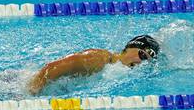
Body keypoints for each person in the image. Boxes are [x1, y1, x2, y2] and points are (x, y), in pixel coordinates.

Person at [25, 34, 160, 95]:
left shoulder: (116, 71)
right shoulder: (99, 58)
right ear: (130, 47)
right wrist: (30, 93)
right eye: (141, 55)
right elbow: (51, 68)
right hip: (21, 84)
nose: (140, 62)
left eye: (145, 60)